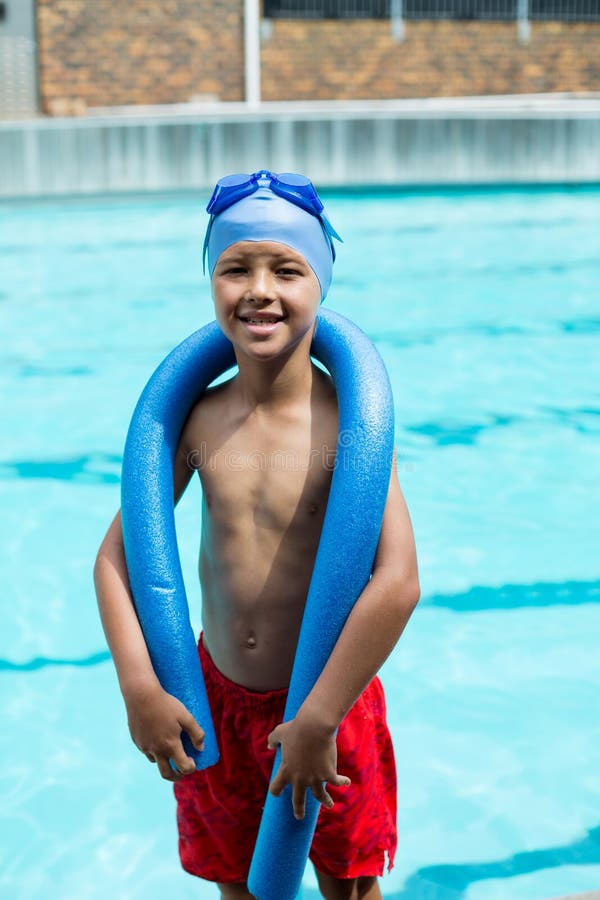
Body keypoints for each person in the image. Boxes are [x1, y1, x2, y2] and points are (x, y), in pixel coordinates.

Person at [94, 170, 420, 900]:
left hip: (329, 704)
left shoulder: (352, 426)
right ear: (211, 282)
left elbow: (398, 582)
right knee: (238, 884)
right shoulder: (199, 422)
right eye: (234, 268)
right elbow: (117, 560)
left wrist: (320, 715)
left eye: (287, 269)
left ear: (322, 283)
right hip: (216, 704)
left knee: (350, 884)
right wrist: (139, 686)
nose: (259, 289)